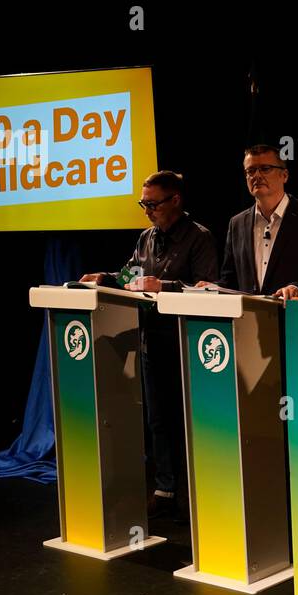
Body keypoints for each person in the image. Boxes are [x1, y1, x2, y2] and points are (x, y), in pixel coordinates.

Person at [80, 170, 219, 518]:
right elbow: (131, 276)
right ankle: (165, 488)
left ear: (176, 201)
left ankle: (197, 492)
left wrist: (165, 287)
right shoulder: (146, 238)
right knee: (158, 419)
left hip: (188, 344)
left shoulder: (199, 238)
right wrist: (105, 277)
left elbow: (208, 287)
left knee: (188, 419)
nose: (147, 210)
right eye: (143, 203)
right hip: (151, 341)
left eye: (153, 203)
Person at [207, 145, 298, 299]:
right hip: (248, 319)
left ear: (285, 175)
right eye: (251, 171)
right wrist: (212, 288)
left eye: (265, 168)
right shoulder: (237, 223)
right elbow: (230, 280)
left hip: (292, 316)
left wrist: (297, 288)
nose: (257, 176)